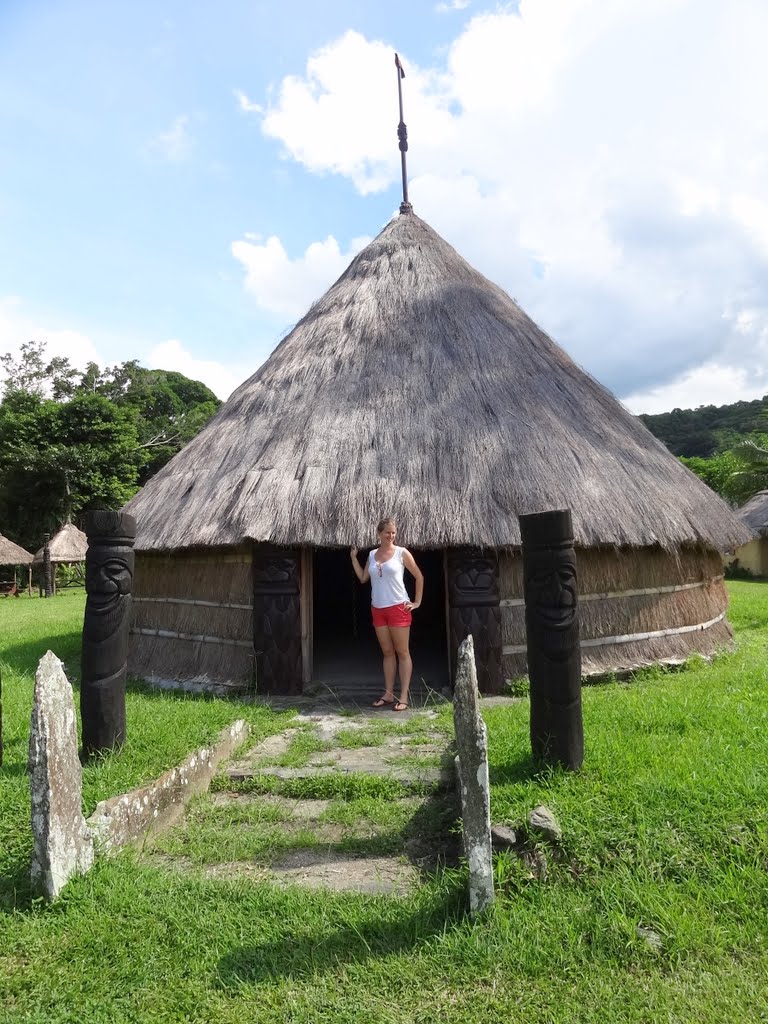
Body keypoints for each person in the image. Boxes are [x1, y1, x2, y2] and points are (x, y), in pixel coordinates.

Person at [350, 516, 424, 711]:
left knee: (403, 652)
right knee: (387, 652)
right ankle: (388, 694)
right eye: (387, 532)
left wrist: (417, 602)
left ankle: (403, 696)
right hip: (378, 608)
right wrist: (353, 558)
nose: (391, 536)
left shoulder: (402, 553)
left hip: (398, 607)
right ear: (379, 533)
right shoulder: (373, 555)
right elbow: (364, 578)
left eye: (393, 532)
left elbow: (419, 576)